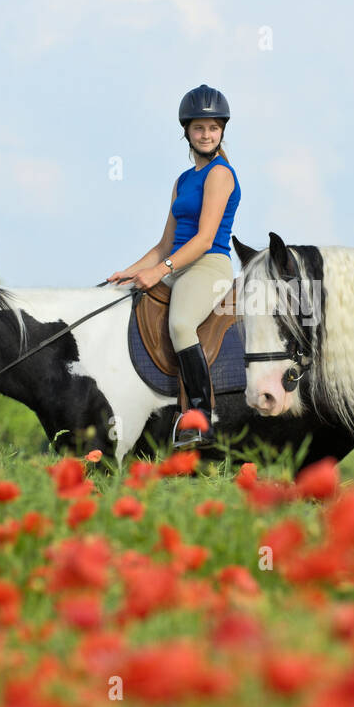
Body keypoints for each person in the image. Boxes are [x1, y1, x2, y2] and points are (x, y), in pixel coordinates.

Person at [107, 84, 241, 448]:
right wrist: (130, 272)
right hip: (176, 263)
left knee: (181, 324)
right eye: (199, 128)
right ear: (187, 131)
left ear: (222, 131)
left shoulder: (220, 174)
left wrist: (160, 270)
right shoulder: (182, 181)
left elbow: (202, 239)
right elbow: (164, 244)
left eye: (213, 128)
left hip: (208, 264)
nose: (206, 134)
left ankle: (200, 418)